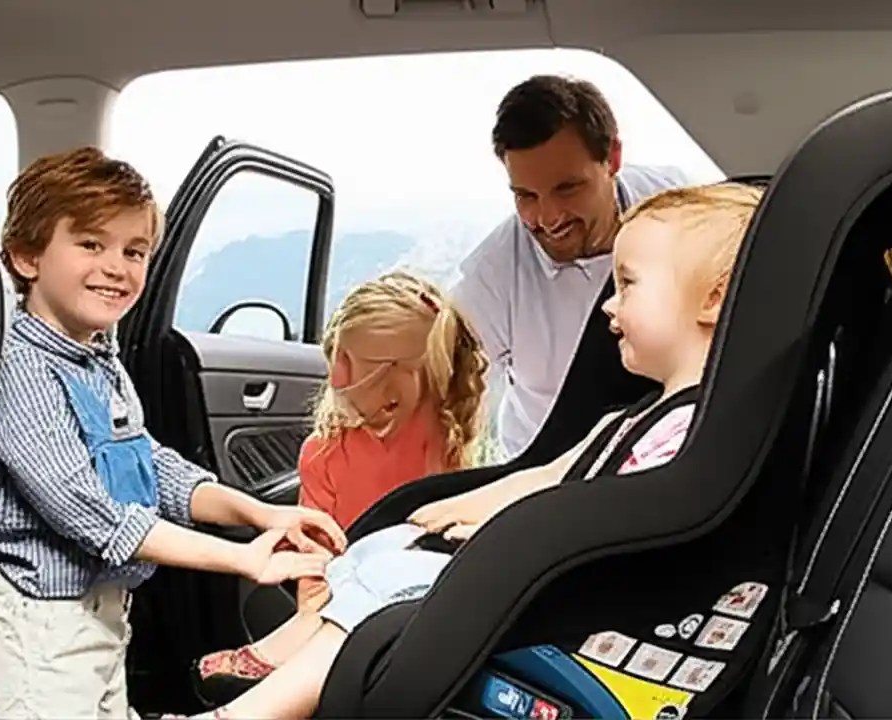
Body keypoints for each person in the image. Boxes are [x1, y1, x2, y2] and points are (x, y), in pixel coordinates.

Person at [176, 181, 764, 719]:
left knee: (393, 576)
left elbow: (613, 525)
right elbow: (551, 474)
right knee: (382, 549)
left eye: (627, 284)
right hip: (546, 578)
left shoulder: (694, 437)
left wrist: (497, 539)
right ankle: (280, 654)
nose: (608, 305)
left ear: (712, 299)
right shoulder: (637, 416)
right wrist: (465, 508)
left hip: (586, 616)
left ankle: (245, 714)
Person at [0, 146, 345, 720]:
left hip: (102, 614)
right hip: (38, 627)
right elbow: (95, 517)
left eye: (135, 250)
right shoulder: (22, 371)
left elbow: (150, 466)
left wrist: (259, 514)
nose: (118, 266)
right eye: (91, 244)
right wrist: (244, 560)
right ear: (26, 256)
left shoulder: (99, 360)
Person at [194, 271, 490, 698]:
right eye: (338, 356)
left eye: (355, 364)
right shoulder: (325, 452)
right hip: (340, 591)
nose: (335, 376)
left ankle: (284, 660)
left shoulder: (443, 443)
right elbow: (314, 551)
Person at [453, 74, 704, 460]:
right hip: (542, 471)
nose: (549, 217)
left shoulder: (679, 208)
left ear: (612, 159)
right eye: (526, 196)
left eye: (567, 188)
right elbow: (447, 393)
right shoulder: (491, 278)